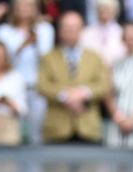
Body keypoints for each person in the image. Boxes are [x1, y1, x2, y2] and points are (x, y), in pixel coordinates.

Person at [37, 11, 110, 144]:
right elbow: (42, 86)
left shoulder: (95, 57)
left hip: (88, 128)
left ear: (81, 30)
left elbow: (103, 85)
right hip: (57, 130)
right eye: (66, 27)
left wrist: (83, 93)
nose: (70, 31)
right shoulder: (48, 58)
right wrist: (65, 96)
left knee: (90, 165)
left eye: (74, 28)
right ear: (60, 31)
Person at [0, 0, 54, 144]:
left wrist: (36, 42)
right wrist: (24, 44)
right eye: (21, 6)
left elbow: (48, 60)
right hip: (12, 88)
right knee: (12, 135)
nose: (25, 10)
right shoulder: (3, 30)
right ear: (14, 9)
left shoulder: (45, 29)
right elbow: (2, 60)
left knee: (37, 135)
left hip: (37, 88)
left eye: (29, 6)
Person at [80, 0, 125, 67]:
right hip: (93, 69)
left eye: (108, 9)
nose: (105, 12)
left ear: (115, 11)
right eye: (102, 9)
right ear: (97, 11)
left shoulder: (121, 32)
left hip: (116, 68)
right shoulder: (87, 32)